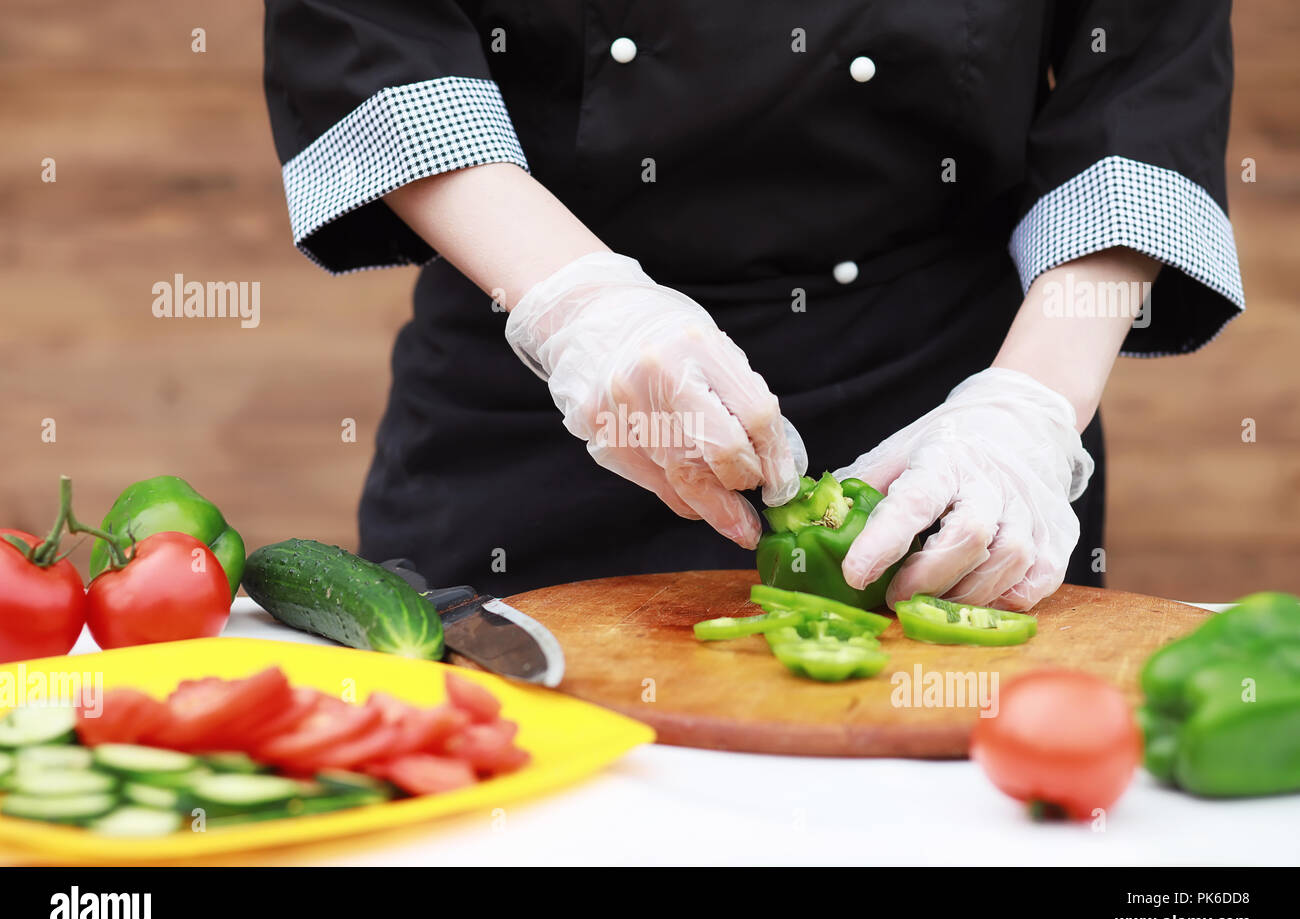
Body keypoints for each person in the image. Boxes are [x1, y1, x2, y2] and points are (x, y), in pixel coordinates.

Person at [263, 1, 1242, 607]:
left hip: (948, 433)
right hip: (537, 427)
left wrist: (1028, 413)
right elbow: (369, 34)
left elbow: (1144, 93)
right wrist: (580, 308)